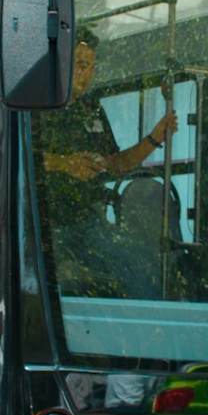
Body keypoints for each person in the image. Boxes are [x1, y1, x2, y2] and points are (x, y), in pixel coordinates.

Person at [38, 30, 179, 297]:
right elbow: (23, 158)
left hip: (89, 219)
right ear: (62, 65)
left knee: (138, 269)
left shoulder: (92, 108)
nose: (87, 73)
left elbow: (117, 164)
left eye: (90, 67)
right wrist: (64, 164)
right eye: (81, 65)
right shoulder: (38, 103)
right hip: (49, 222)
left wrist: (154, 137)